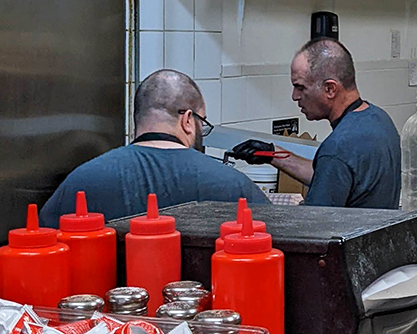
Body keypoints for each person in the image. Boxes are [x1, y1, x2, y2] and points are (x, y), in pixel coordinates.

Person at [40, 69, 268, 226]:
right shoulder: (234, 185)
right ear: (187, 120)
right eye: (202, 122)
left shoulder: (81, 182)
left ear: (138, 117)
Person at [231, 38, 401, 208]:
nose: (295, 96)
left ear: (330, 89)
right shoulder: (380, 120)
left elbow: (315, 220)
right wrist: (272, 154)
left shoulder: (339, 147)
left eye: (301, 87)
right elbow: (331, 179)